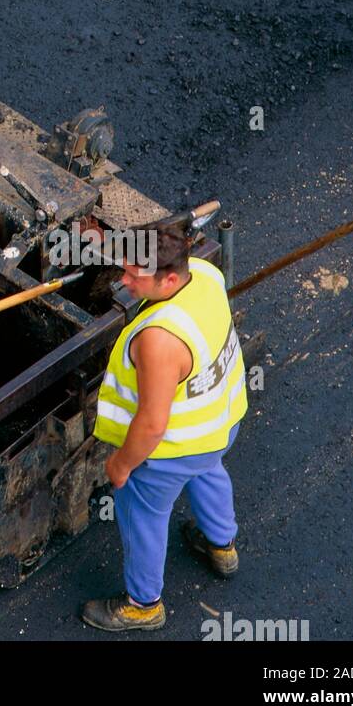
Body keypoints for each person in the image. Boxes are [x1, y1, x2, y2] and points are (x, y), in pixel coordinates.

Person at [81, 222, 247, 632]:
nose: (123, 280)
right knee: (209, 472)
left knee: (142, 513)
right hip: (219, 424)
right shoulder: (205, 276)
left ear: (169, 278)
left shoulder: (158, 340)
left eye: (134, 276)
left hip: (172, 451)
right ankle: (221, 545)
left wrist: (121, 465)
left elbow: (153, 423)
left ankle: (143, 605)